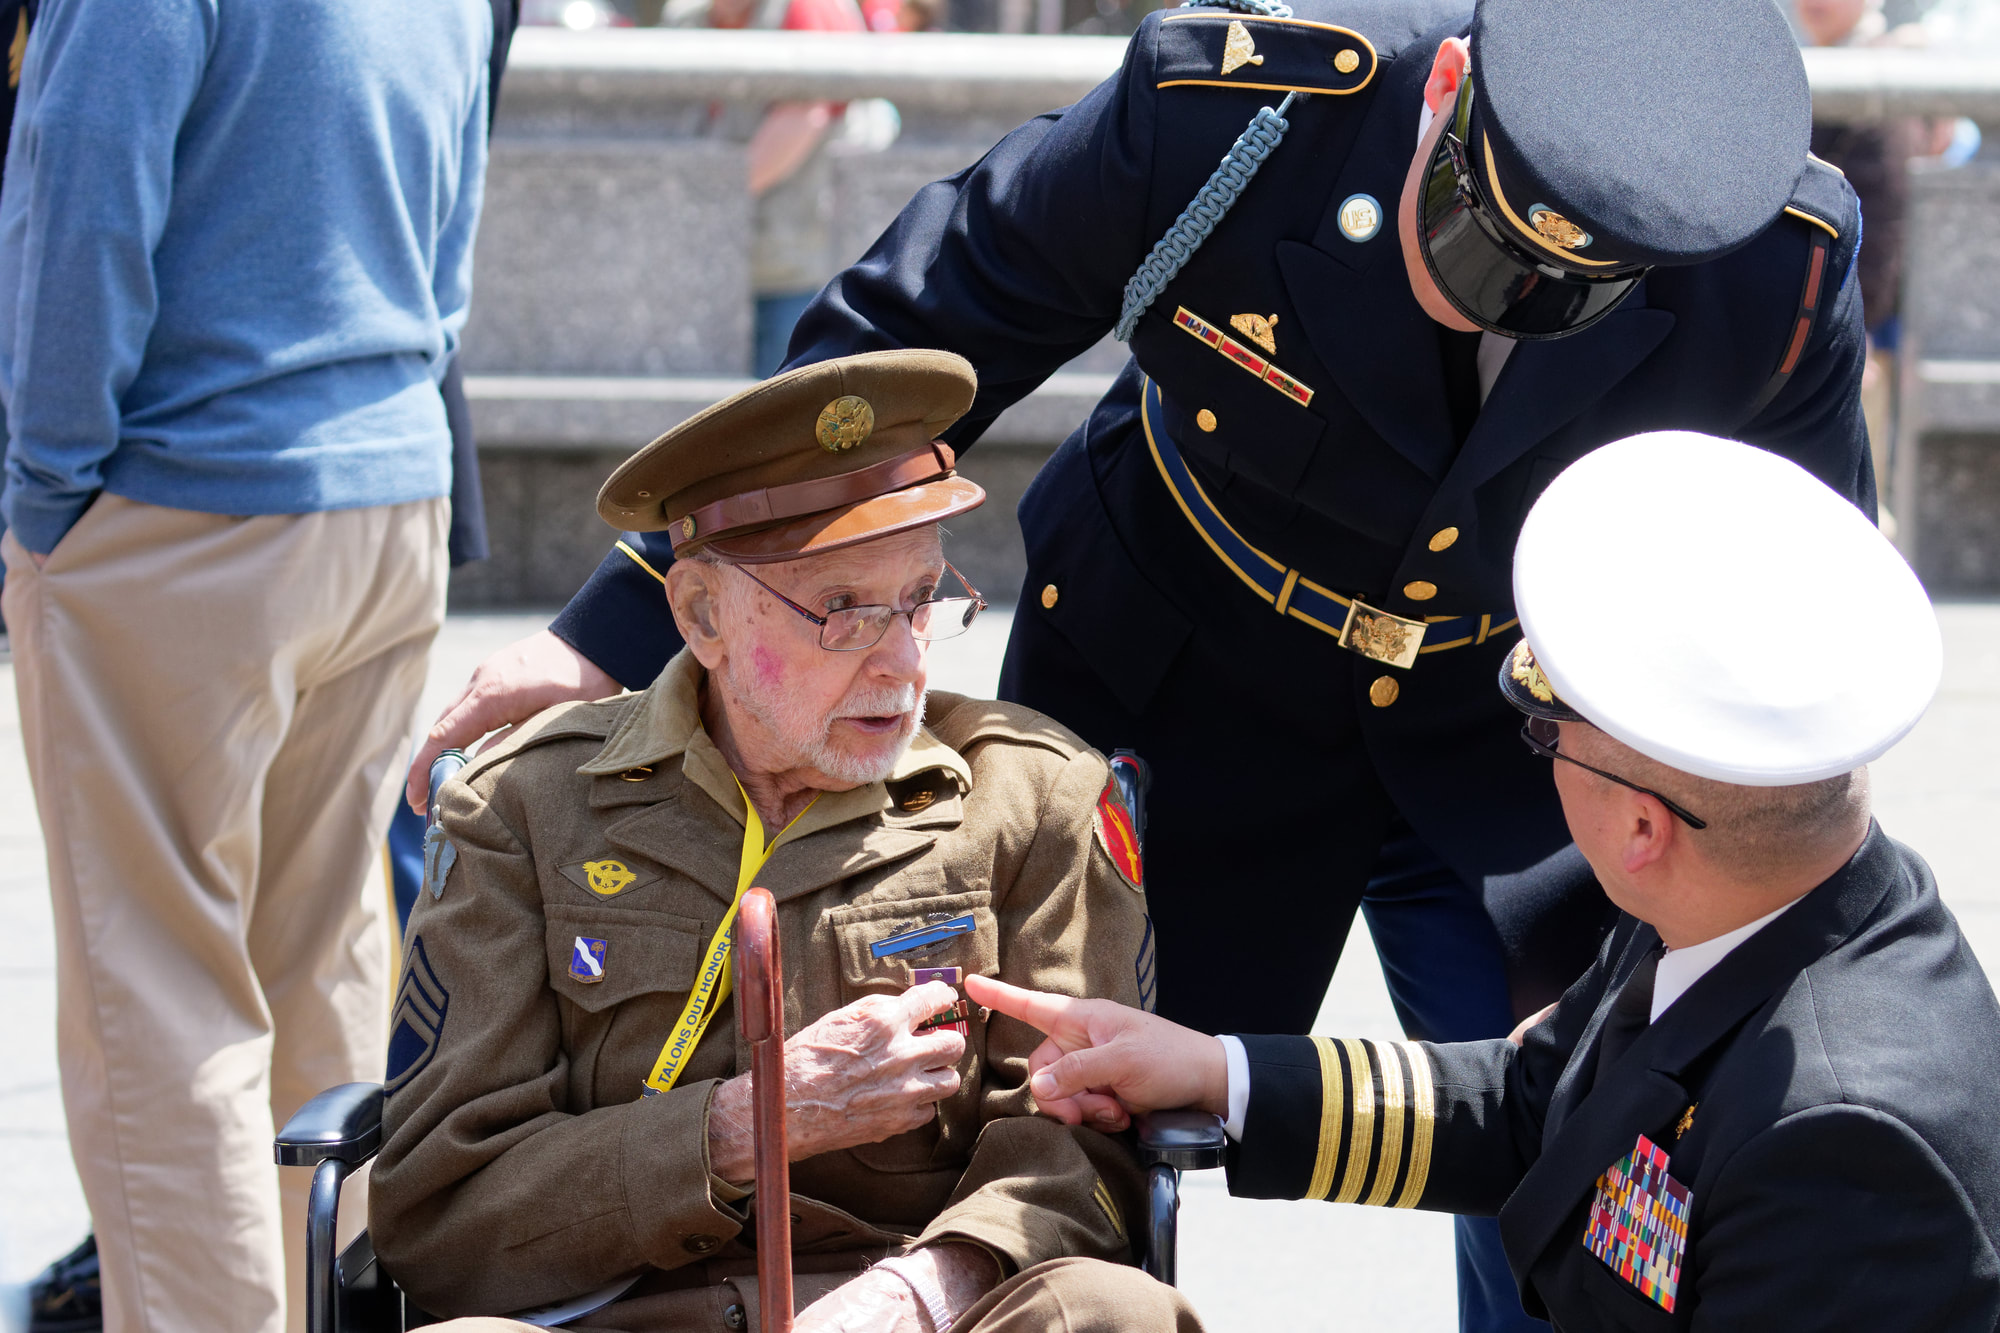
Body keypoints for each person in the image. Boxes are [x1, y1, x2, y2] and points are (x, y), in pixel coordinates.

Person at [407, 0, 1870, 1323]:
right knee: (1070, 1129)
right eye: (1486, 255)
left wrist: (1787, 876)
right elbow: (926, 316)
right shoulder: (1236, 118)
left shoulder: (1771, 260)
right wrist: (623, 617)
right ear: (1447, 101)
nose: (1501, 306)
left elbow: (1788, 590)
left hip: (1514, 722)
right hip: (1179, 675)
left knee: (1573, 1130)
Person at [962, 430, 2000, 1330]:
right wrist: (1210, 1071)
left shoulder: (1841, 1142)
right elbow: (1534, 1100)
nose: (1534, 754)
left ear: (1641, 824)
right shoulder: (1764, 898)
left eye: (1547, 729)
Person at [370, 350, 1196, 1333]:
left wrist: (911, 1297)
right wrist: (750, 1121)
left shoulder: (1035, 797)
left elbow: (1086, 1159)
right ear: (701, 614)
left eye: (921, 596)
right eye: (842, 610)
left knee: (1112, 1312)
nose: (900, 659)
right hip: (623, 1311)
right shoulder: (526, 804)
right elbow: (439, 1217)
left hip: (927, 1305)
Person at [0, 0, 491, 1329]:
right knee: (319, 964)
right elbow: (453, 241)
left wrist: (45, 495)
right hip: (386, 492)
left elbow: (81, 215)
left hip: (187, 503)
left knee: (157, 1002)